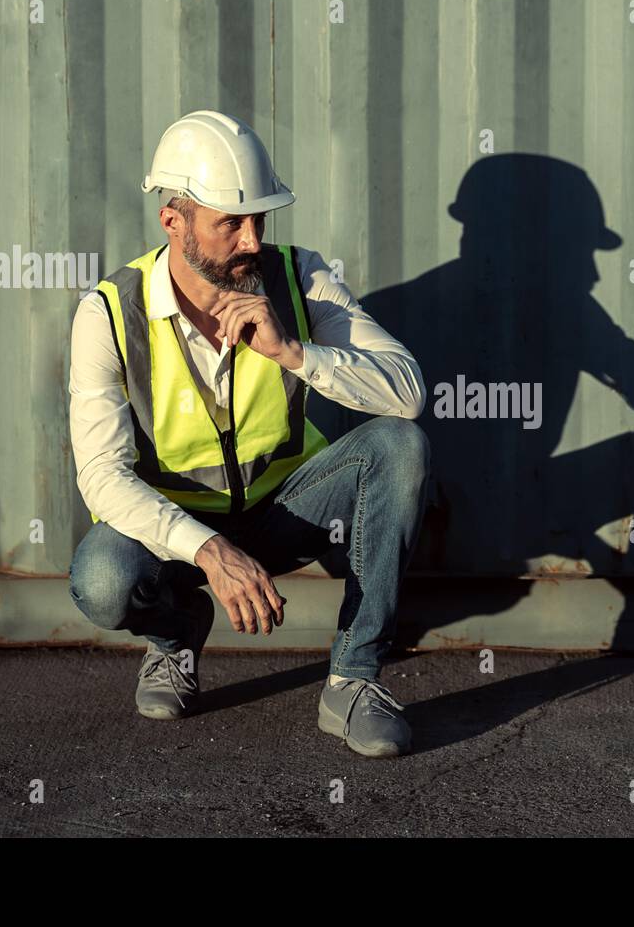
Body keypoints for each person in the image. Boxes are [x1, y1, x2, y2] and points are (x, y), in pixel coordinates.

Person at [67, 110, 429, 758]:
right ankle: (177, 632)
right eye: (229, 221)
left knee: (400, 447)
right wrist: (206, 549)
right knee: (100, 576)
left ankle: (353, 678)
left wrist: (296, 353)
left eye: (259, 218)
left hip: (283, 512)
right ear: (173, 221)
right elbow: (101, 474)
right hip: (176, 535)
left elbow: (407, 391)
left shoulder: (300, 277)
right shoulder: (108, 313)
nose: (251, 239)